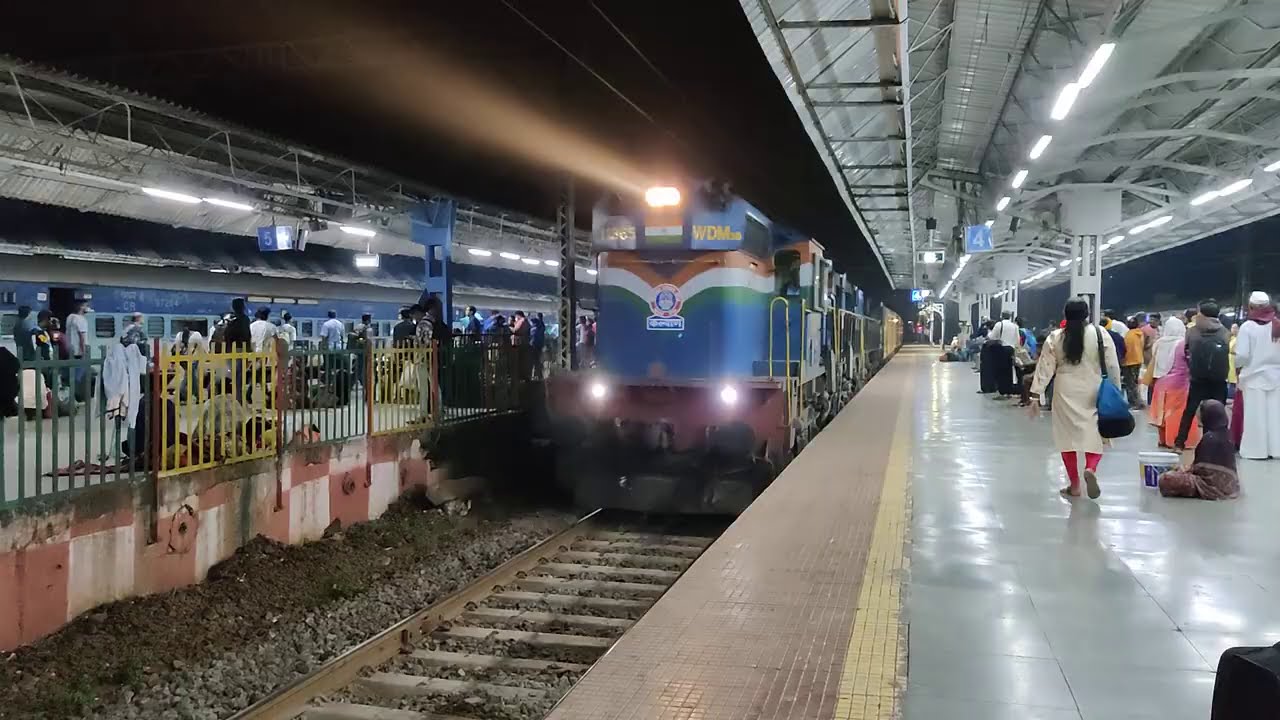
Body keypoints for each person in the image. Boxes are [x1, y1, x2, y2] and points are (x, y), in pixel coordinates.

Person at [1029, 298, 1122, 499]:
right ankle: (1091, 468)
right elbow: (1112, 365)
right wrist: (1116, 390)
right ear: (1087, 314)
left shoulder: (1055, 337)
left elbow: (1045, 368)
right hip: (1094, 388)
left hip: (1065, 390)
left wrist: (1036, 395)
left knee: (1067, 438)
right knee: (1095, 433)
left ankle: (1075, 485)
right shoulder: (1100, 334)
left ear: (1065, 314)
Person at [1175, 299, 1231, 451]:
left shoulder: (1192, 331)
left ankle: (1179, 443)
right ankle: (1213, 444)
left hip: (1198, 377)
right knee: (1217, 411)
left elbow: (1186, 351)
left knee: (1190, 410)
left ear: (1202, 314)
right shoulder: (1225, 332)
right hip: (1219, 379)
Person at [1158, 400, 1239, 500]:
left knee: (1166, 479)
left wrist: (1184, 470)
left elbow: (1200, 471)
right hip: (1230, 485)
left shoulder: (1209, 439)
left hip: (1209, 487)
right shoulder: (1228, 435)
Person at [1235, 291, 1280, 459]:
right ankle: (1276, 450)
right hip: (1276, 377)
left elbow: (1242, 355)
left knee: (1256, 415)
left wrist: (1238, 367)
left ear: (1251, 307)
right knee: (1275, 415)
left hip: (1254, 377)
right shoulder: (1278, 325)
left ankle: (1256, 451)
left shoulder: (1248, 327)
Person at [1148, 316, 1201, 450]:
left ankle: (1163, 439)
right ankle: (1174, 440)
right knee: (1177, 412)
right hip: (1179, 384)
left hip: (1160, 382)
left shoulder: (1159, 343)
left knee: (1161, 411)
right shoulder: (1183, 343)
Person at [987, 311, 1020, 397]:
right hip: (1011, 349)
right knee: (1009, 370)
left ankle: (1002, 391)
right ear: (1010, 317)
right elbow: (1018, 340)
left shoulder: (999, 324)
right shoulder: (1015, 326)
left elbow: (992, 337)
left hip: (1001, 349)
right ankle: (1009, 390)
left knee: (1000, 371)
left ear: (1001, 316)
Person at [1121, 317, 1146, 408]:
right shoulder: (1139, 333)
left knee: (1130, 384)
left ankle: (1135, 403)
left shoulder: (1128, 335)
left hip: (1129, 362)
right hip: (1138, 360)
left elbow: (1125, 349)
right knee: (1135, 383)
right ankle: (1138, 401)